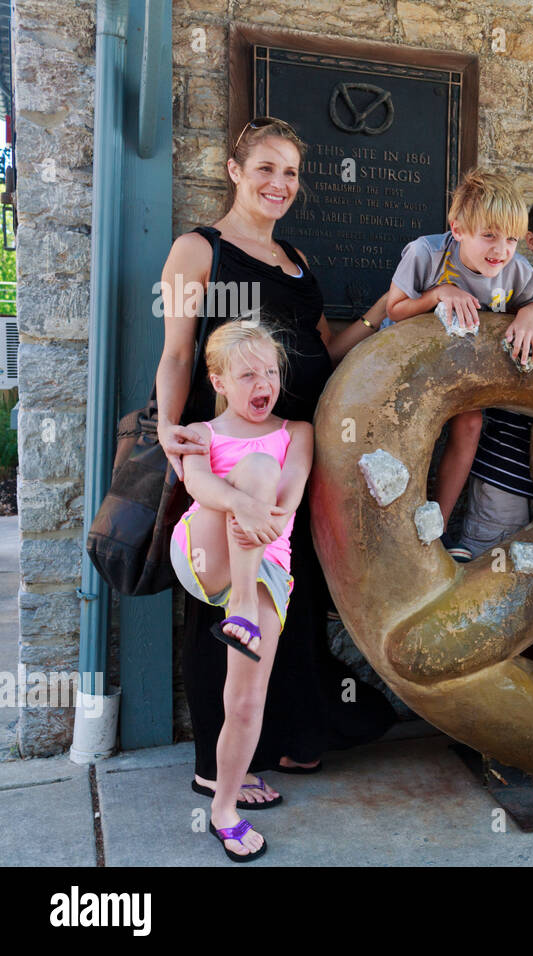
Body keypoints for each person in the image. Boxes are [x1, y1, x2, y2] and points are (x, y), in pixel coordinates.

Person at [156, 117, 394, 805]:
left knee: (288, 598)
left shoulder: (297, 260)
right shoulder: (196, 252)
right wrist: (173, 432)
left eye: (290, 172)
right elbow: (177, 353)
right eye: (265, 168)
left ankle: (288, 734)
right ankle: (215, 763)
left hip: (298, 455)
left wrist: (388, 311)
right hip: (228, 458)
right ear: (234, 170)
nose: (278, 183)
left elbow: (328, 345)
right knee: (224, 607)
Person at [169, 323, 311, 860]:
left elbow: (292, 487)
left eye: (270, 371)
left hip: (268, 562)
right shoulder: (201, 431)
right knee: (252, 467)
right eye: (248, 372)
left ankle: (223, 809)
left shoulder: (297, 429)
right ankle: (243, 604)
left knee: (246, 700)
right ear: (219, 380)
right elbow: (199, 486)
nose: (264, 382)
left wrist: (266, 513)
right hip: (205, 555)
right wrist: (245, 503)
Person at [386, 168, 533, 549]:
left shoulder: (514, 270)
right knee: (408, 433)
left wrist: (527, 316)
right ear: (458, 229)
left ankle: (438, 525)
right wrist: (439, 293)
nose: (501, 250)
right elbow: (394, 309)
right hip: (408, 369)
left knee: (471, 423)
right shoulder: (426, 253)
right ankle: (396, 522)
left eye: (511, 239)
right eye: (489, 236)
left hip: (459, 375)